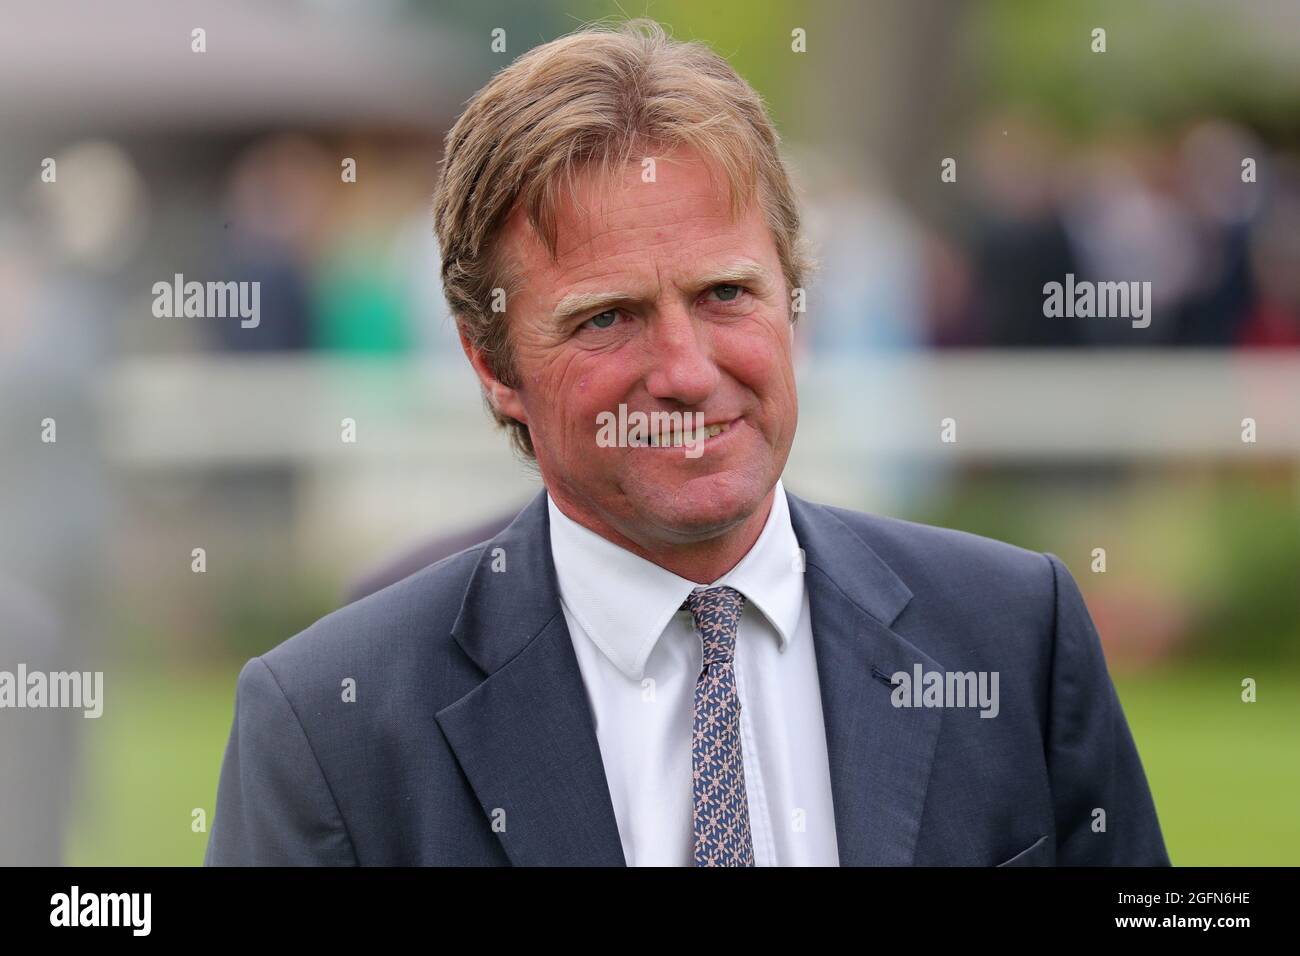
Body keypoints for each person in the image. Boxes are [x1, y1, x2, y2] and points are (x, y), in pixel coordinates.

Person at [205, 19, 1168, 867]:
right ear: (493, 364)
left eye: (725, 294)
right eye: (609, 318)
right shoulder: (331, 725)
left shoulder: (1015, 638)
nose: (687, 368)